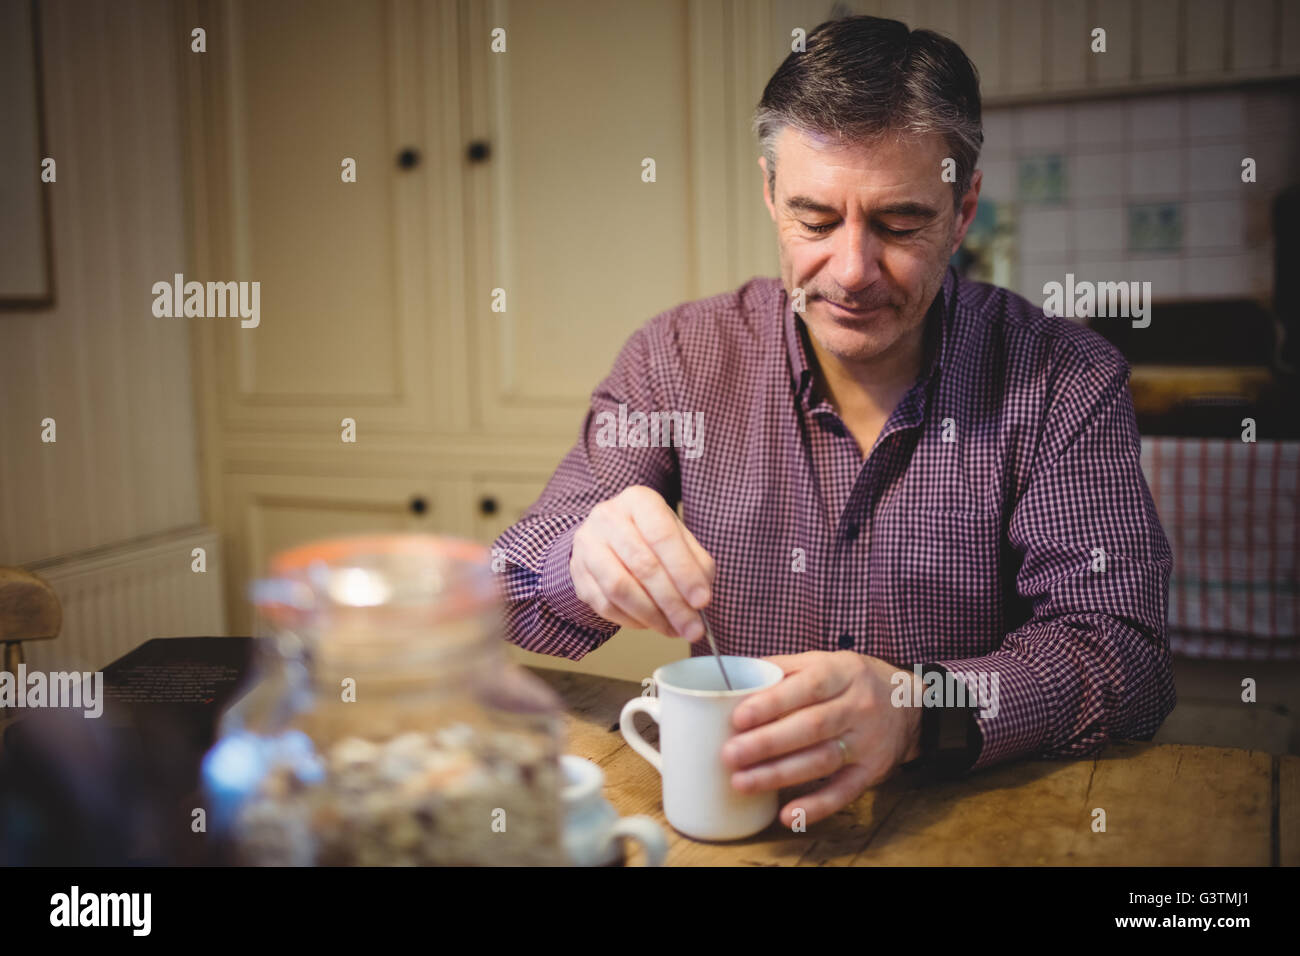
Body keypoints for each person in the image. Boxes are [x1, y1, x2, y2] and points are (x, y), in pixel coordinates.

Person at [492, 15, 1176, 828]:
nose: (852, 272)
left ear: (963, 210)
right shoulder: (676, 360)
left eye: (900, 223)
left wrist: (922, 709)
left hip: (969, 822)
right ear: (770, 195)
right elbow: (505, 588)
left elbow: (1123, 656)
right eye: (815, 220)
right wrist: (584, 559)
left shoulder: (1063, 380)